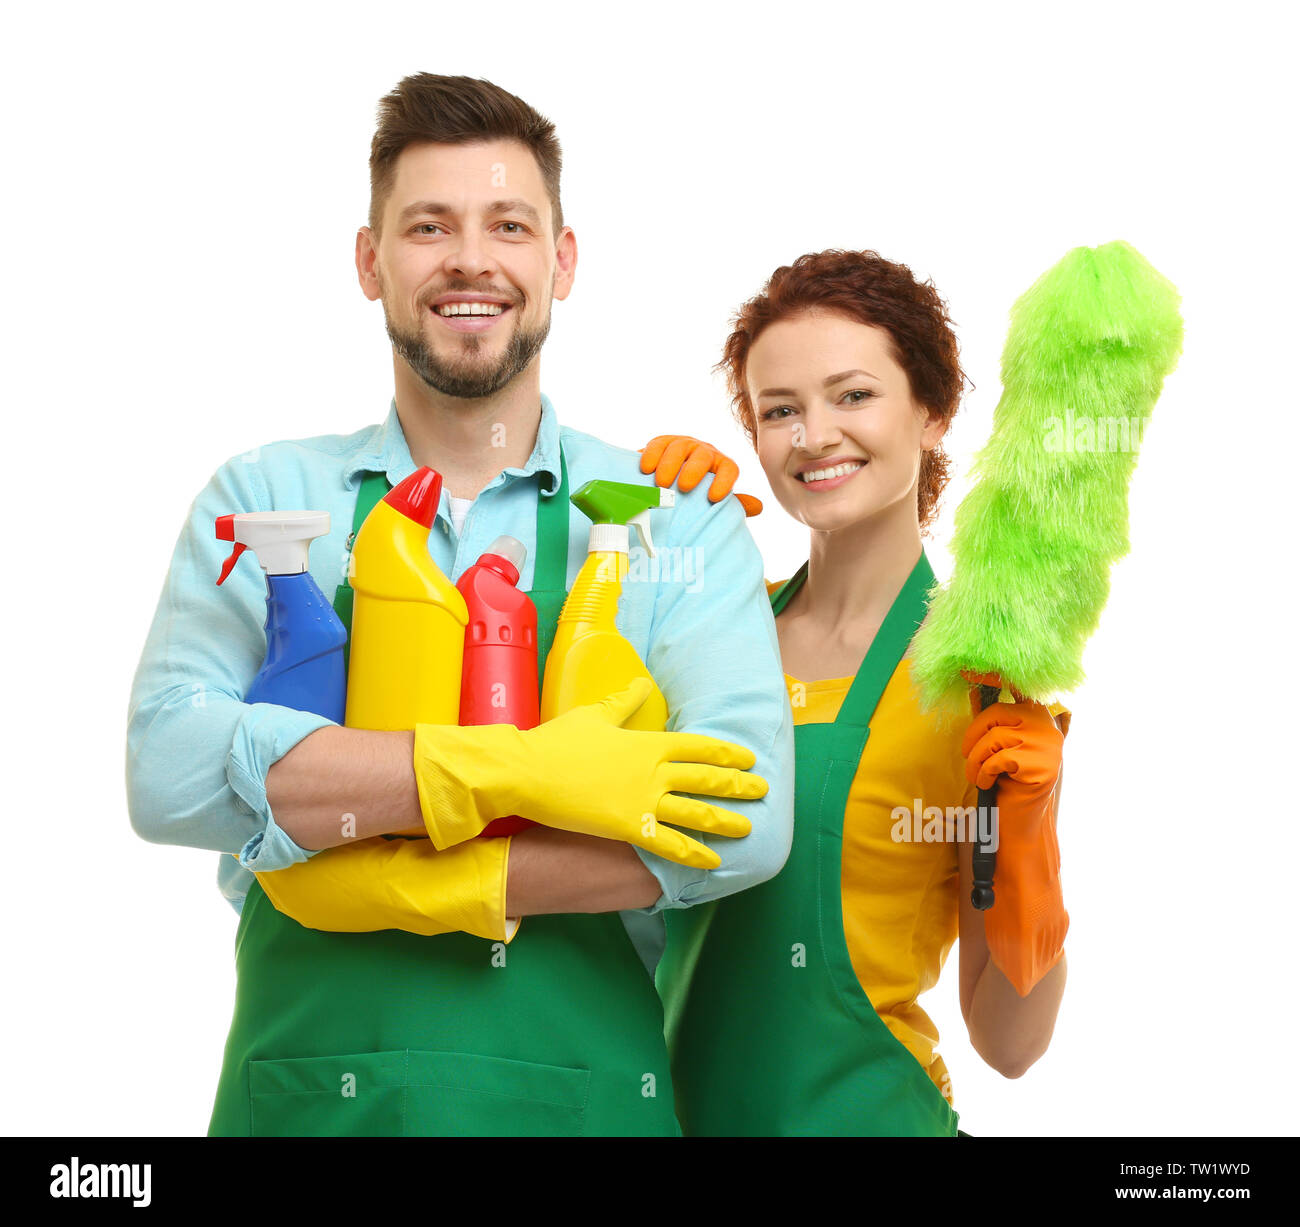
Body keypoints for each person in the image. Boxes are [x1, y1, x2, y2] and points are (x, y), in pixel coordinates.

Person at [125, 73, 794, 1138]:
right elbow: (167, 774)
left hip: (582, 1109)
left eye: (509, 225)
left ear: (560, 261)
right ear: (369, 261)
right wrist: (516, 775)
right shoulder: (264, 501)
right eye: (428, 226)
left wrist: (392, 849)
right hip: (307, 1103)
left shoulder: (676, 522)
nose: (469, 260)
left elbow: (745, 822)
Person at [640, 249, 1070, 1136]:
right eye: (780, 410)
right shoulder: (708, 635)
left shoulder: (980, 684)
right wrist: (648, 540)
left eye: (854, 395)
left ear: (933, 412)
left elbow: (1011, 1044)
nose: (814, 436)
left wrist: (1026, 839)